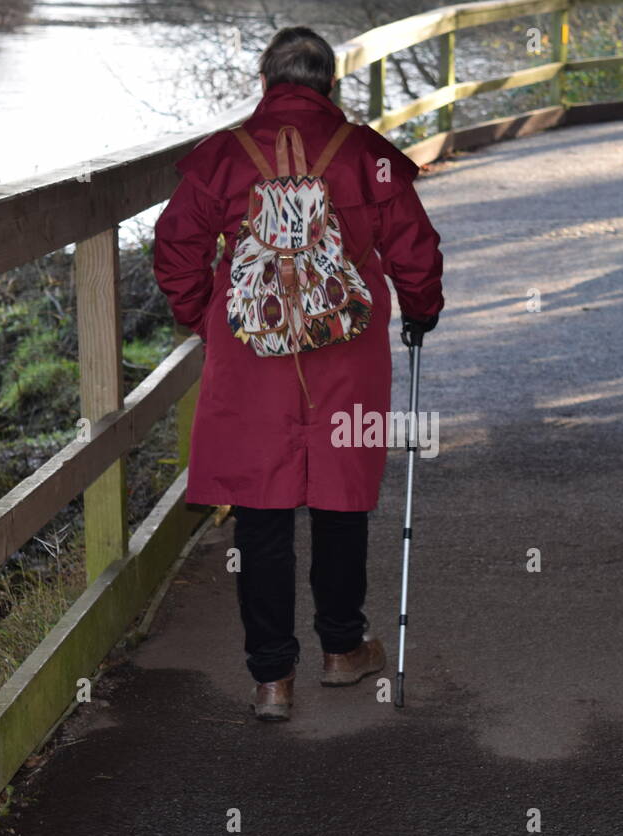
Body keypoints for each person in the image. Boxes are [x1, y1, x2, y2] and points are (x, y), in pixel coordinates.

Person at [153, 26, 444, 721]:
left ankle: (271, 679)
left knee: (262, 513)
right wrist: (420, 310)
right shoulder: (369, 156)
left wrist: (209, 317)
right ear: (331, 87)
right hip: (346, 350)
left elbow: (175, 248)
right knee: (342, 497)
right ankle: (343, 650)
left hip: (253, 357)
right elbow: (414, 244)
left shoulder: (221, 158)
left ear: (264, 82)